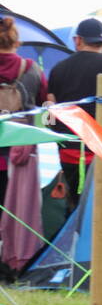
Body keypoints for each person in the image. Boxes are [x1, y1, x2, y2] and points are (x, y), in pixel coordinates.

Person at [44, 18, 102, 213]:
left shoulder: (58, 69)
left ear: (78, 40)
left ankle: (70, 240)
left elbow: (49, 116)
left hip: (68, 152)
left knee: (73, 206)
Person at [0, 15, 48, 280]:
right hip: (18, 155)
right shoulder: (32, 69)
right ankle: (13, 267)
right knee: (19, 214)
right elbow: (45, 112)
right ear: (16, 41)